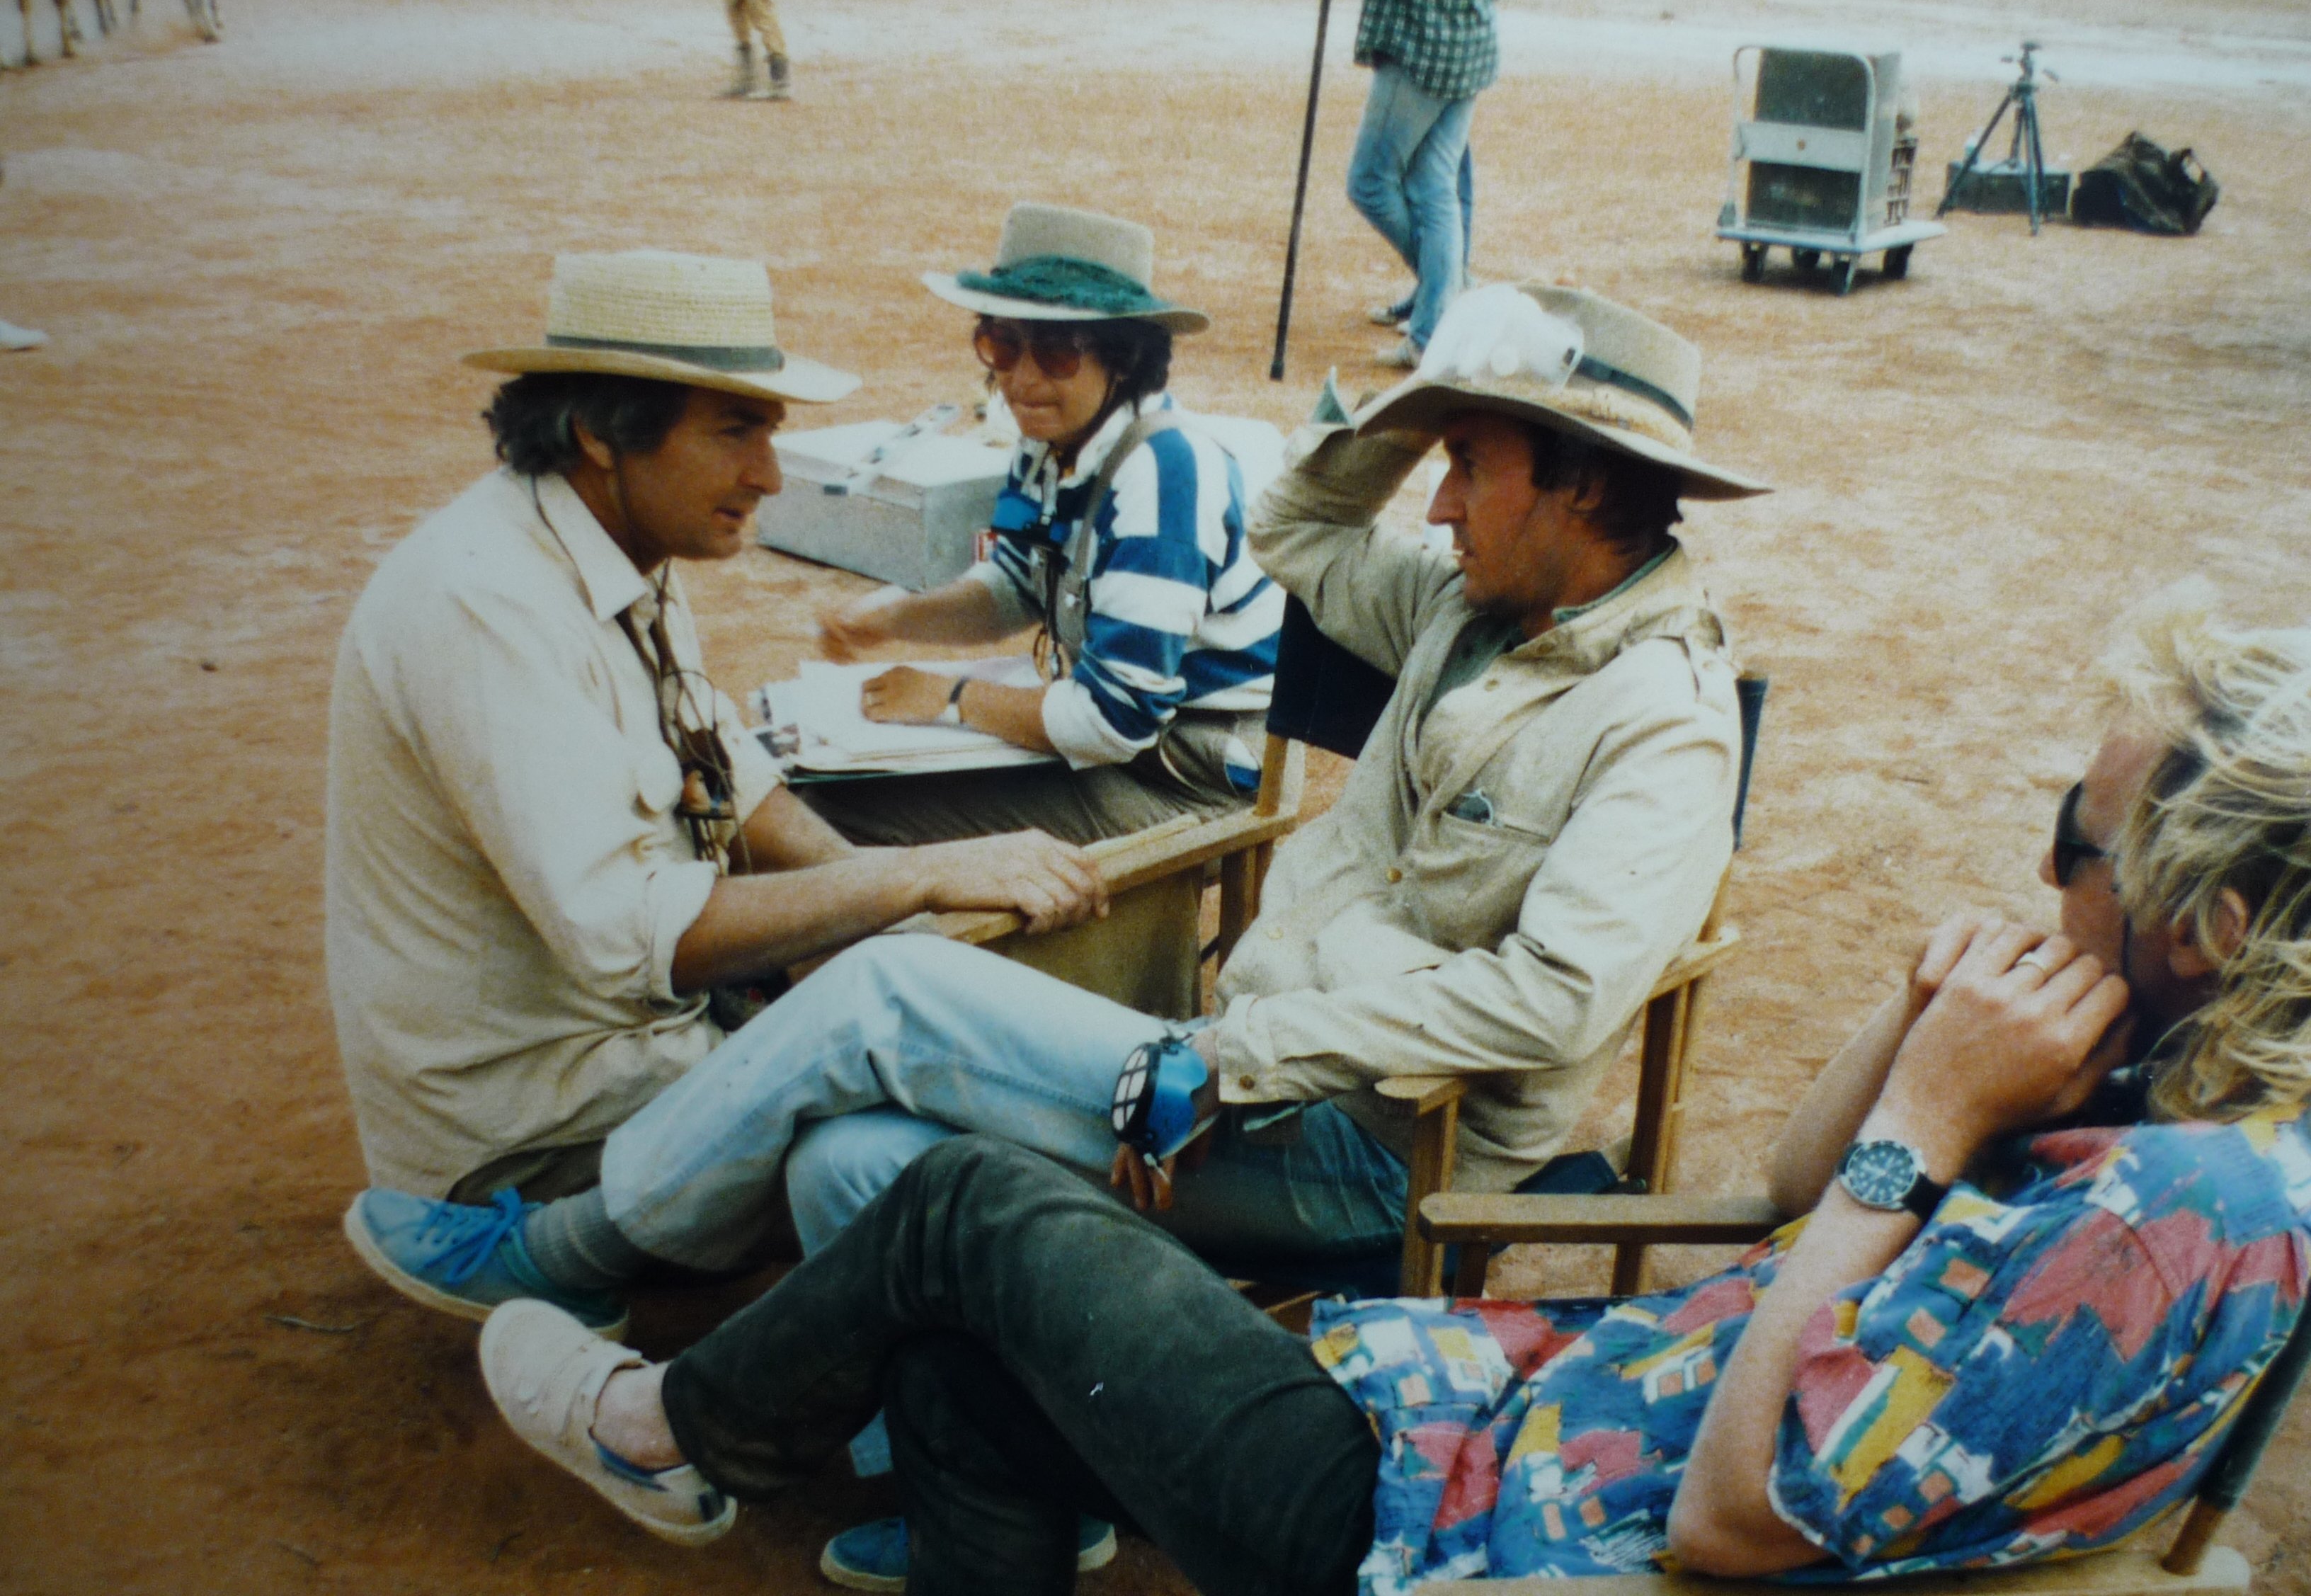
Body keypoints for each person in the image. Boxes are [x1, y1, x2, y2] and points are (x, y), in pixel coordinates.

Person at [472, 587, 2311, 1595]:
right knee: (967, 1342)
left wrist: (1926, 1136)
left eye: (2077, 838)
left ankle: (677, 1433)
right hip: (1476, 1417)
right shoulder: (2144, 1089)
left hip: (1462, 1524)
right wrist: (1923, 1046)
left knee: (958, 1208)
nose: (2044, 856)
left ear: (2208, 922)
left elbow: (1735, 1525)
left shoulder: (2188, 1228)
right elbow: (1782, 1185)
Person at [348, 279, 1767, 1575]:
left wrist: (1233, 1057)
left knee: (887, 995)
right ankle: (1016, 1481)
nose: (1441, 508)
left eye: (1470, 465)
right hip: (1244, 1061)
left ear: (1580, 486)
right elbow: (1295, 530)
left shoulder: (1663, 723)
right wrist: (1413, 412)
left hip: (1369, 1131)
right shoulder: (1471, 611)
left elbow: (1552, 1001)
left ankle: (576, 1254)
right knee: (857, 1156)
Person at [329, 250, 1106, 1329]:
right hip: (532, 1141)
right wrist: (908, 883)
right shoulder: (484, 604)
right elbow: (631, 933)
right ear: (602, 433)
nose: (772, 474)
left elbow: (726, 777)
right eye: (734, 432)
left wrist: (869, 903)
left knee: (933, 1083)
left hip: (646, 1060)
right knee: (922, 1149)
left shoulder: (616, 545)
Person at [806, 201, 1284, 848]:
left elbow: (1117, 719)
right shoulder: (1050, 440)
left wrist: (953, 700)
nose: (1020, 380)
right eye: (1002, 345)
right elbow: (1015, 587)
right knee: (822, 795)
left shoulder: (1165, 474)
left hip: (1190, 769)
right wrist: (896, 619)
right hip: (1129, 735)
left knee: (841, 817)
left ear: (1123, 358)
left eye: (1056, 353)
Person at [1320, 0, 1510, 369]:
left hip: (1421, 47)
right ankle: (1432, 326)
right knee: (1434, 183)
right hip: (1472, 39)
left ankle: (1445, 296)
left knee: (1370, 181)